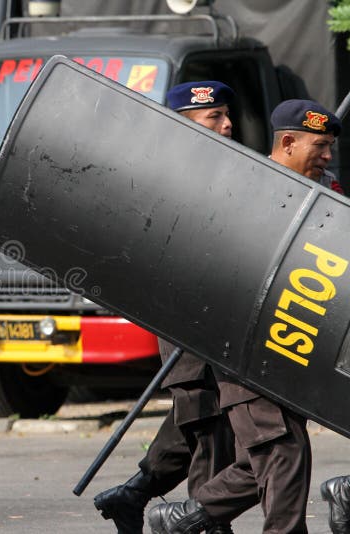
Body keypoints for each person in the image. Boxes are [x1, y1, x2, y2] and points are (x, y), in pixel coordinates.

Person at [147, 99, 342, 534]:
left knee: (268, 463)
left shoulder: (329, 196)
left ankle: (184, 518)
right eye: (321, 145)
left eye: (331, 146)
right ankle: (184, 517)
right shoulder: (245, 192)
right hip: (247, 356)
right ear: (288, 142)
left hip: (294, 354)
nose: (328, 156)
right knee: (282, 455)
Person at [92, 81, 236, 534]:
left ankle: (132, 495)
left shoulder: (233, 172)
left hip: (224, 318)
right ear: (182, 126)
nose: (228, 124)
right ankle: (203, 524)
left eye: (227, 114)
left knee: (198, 418)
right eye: (214, 116)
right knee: (206, 418)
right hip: (185, 318)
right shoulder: (159, 178)